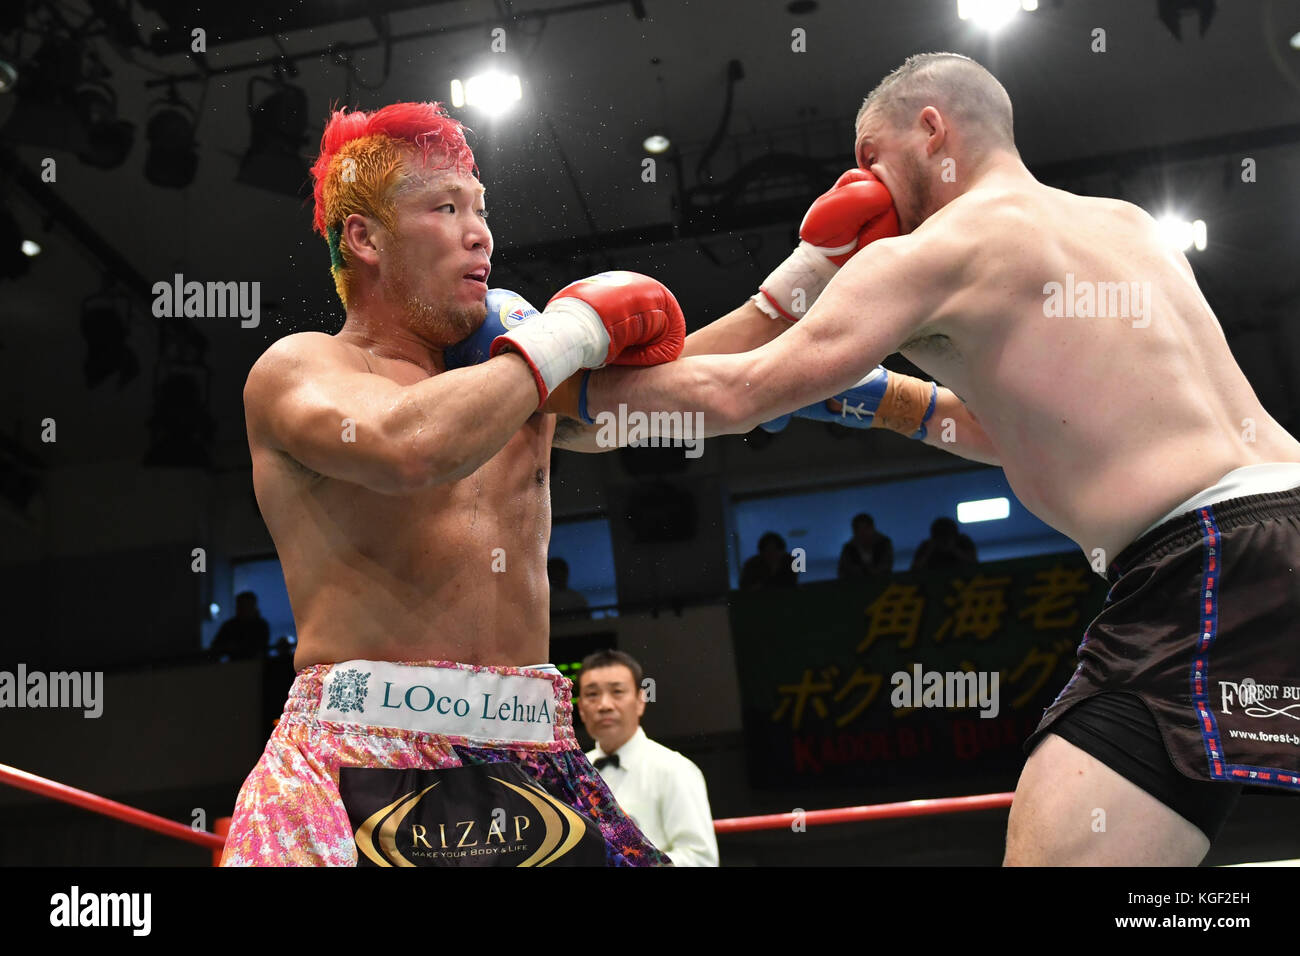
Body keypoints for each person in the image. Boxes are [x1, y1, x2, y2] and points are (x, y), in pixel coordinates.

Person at [569, 53, 1300, 865]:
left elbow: (740, 390)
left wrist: (560, 402)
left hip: (1203, 562)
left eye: (868, 156)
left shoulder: (930, 255)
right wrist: (890, 400)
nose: (861, 181)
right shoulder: (1124, 224)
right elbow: (1042, 430)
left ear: (931, 128)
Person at [221, 102, 689, 867]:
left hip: (534, 752)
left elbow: (721, 391)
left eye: (482, 208)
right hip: (354, 755)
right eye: (446, 207)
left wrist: (834, 290)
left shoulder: (512, 382)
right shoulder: (299, 368)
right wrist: (571, 333)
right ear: (365, 238)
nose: (483, 233)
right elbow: (410, 445)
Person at [577, 650, 719, 867]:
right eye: (592, 694)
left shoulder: (674, 769)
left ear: (640, 701)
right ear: (581, 710)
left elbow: (701, 860)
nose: (604, 705)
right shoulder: (572, 772)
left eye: (617, 691)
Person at [209, 591, 270, 661]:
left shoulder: (261, 626)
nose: (244, 609)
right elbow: (215, 647)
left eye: (247, 606)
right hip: (237, 666)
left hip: (255, 665)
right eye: (241, 606)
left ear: (253, 607)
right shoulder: (230, 626)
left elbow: (260, 648)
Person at [837, 512, 894, 579]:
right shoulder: (849, 549)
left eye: (866, 529)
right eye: (859, 530)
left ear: (872, 528)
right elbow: (843, 571)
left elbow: (886, 566)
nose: (863, 534)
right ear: (855, 532)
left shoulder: (884, 544)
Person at [909, 516, 976, 571]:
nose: (944, 540)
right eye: (941, 536)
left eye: (947, 535)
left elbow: (974, 563)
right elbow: (914, 569)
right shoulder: (927, 546)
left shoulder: (963, 541)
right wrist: (929, 550)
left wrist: (954, 549)